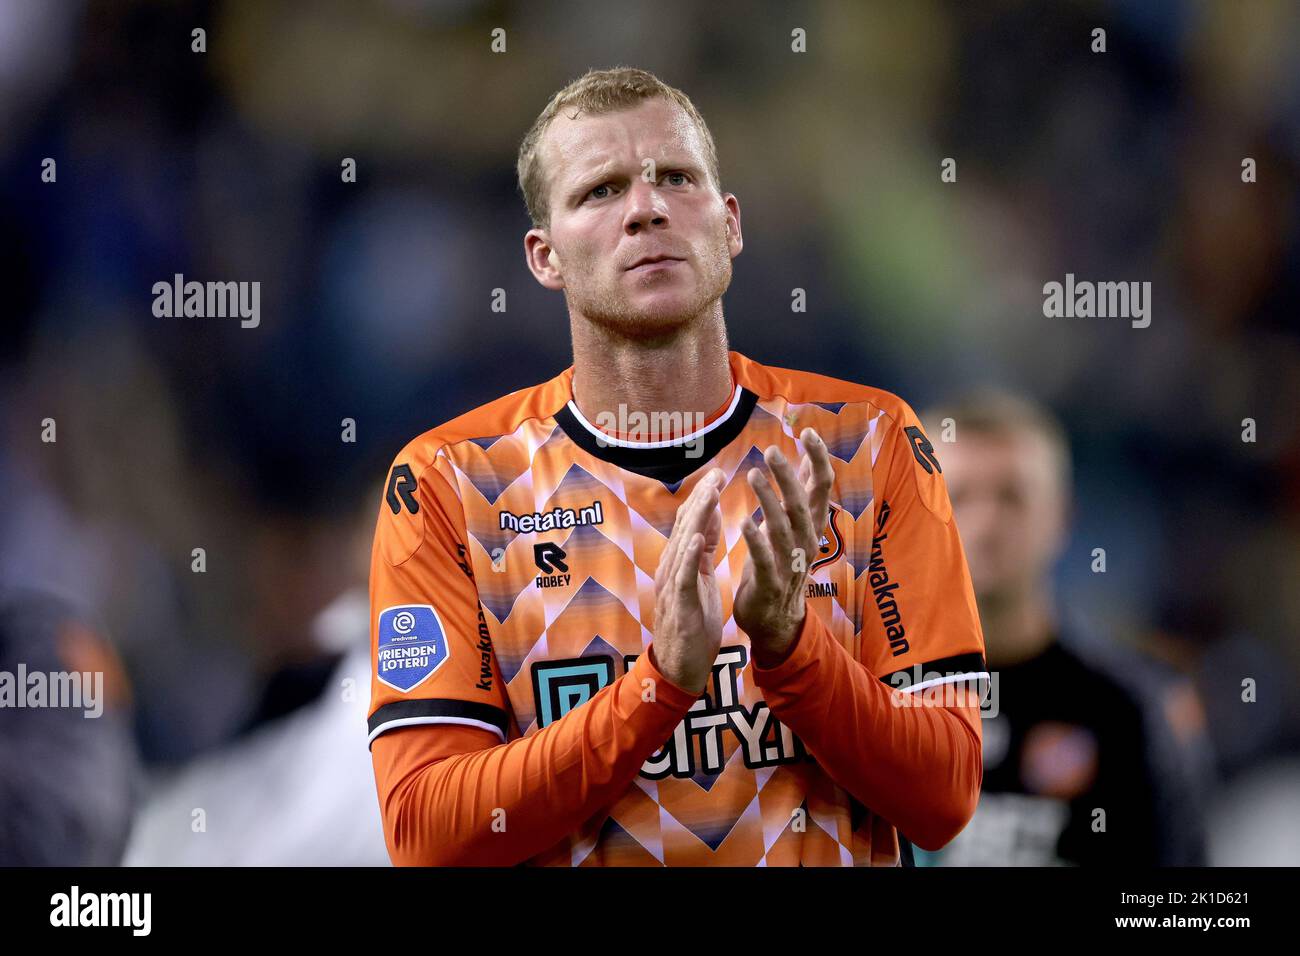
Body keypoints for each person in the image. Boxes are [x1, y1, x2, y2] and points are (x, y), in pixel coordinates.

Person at [366, 66, 987, 866]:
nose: (646, 209)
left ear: (729, 223)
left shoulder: (866, 443)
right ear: (543, 256)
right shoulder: (452, 484)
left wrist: (794, 649)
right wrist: (657, 688)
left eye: (676, 178)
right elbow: (426, 832)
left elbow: (945, 797)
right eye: (600, 191)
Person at [917, 390, 1210, 865]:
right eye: (959, 496)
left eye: (1013, 496)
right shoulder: (863, 692)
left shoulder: (1129, 709)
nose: (987, 523)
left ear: (1063, 517)